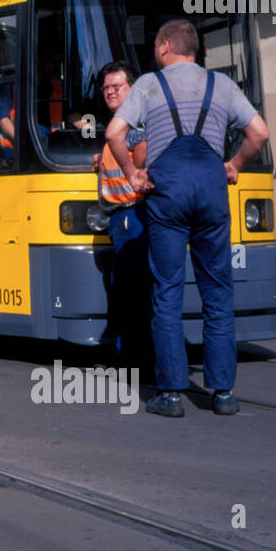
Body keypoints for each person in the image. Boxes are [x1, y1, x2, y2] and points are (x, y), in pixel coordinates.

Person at [105, 20, 271, 417]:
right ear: (195, 49)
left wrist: (133, 174)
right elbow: (260, 133)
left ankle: (171, 394)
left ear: (164, 46)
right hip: (211, 191)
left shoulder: (148, 84)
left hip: (169, 193)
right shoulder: (223, 85)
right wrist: (233, 164)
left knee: (167, 290)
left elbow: (114, 132)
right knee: (217, 291)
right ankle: (224, 392)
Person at [91, 61, 151, 371]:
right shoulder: (122, 122)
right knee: (126, 288)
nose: (111, 91)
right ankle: (128, 356)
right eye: (106, 87)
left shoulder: (135, 123)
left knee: (132, 291)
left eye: (118, 86)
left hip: (132, 213)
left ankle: (136, 359)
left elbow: (141, 160)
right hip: (121, 217)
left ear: (133, 88)